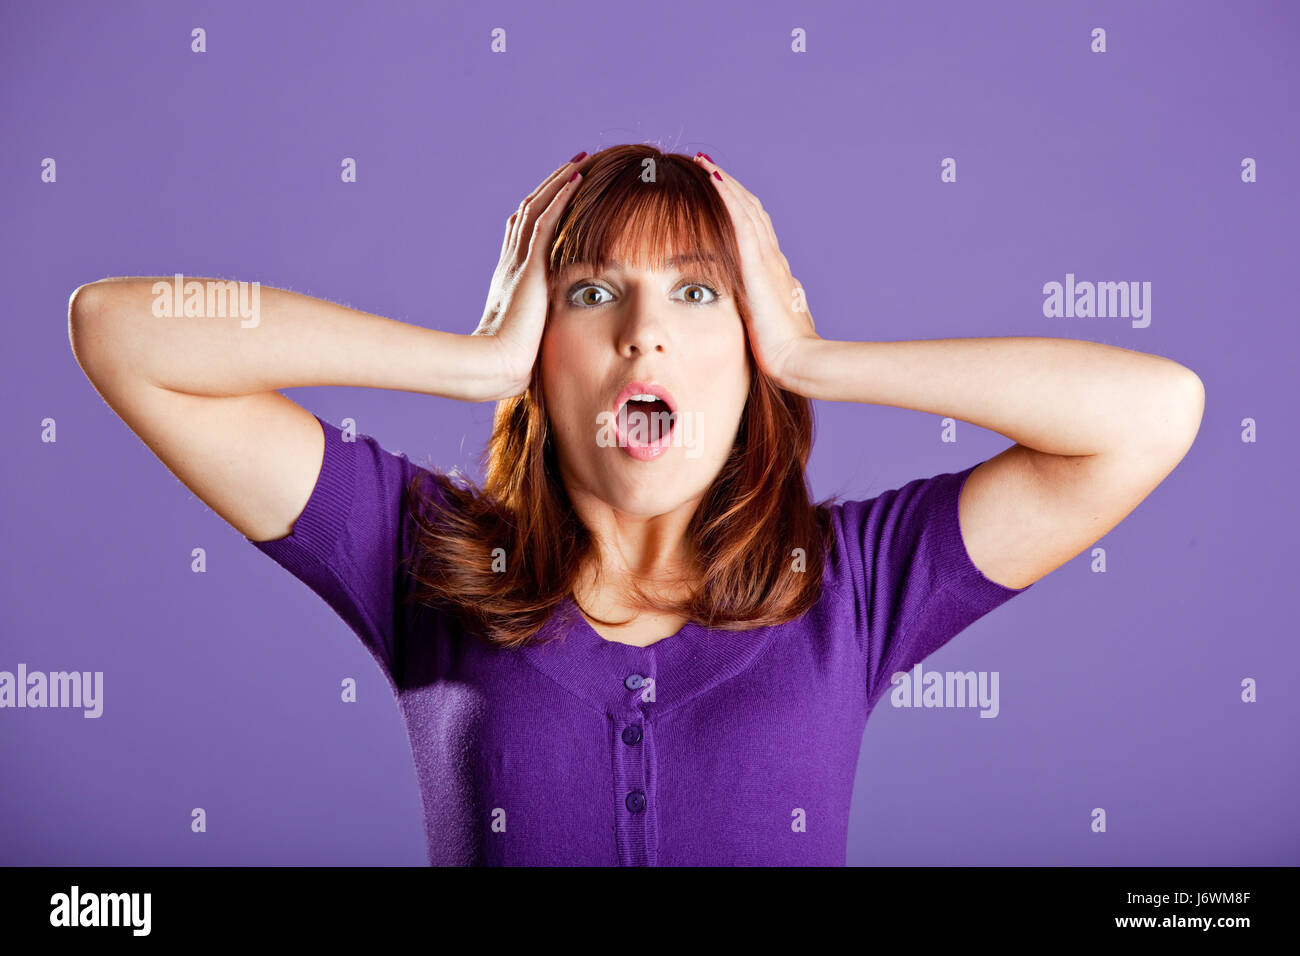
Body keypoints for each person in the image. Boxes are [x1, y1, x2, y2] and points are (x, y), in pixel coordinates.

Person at [67, 145, 1205, 865]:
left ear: (748, 348)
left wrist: (816, 354)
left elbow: (1152, 412)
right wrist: (467, 360)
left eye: (699, 293)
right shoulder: (423, 556)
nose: (643, 331)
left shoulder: (852, 582)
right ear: (542, 349)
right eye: (594, 290)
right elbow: (122, 329)